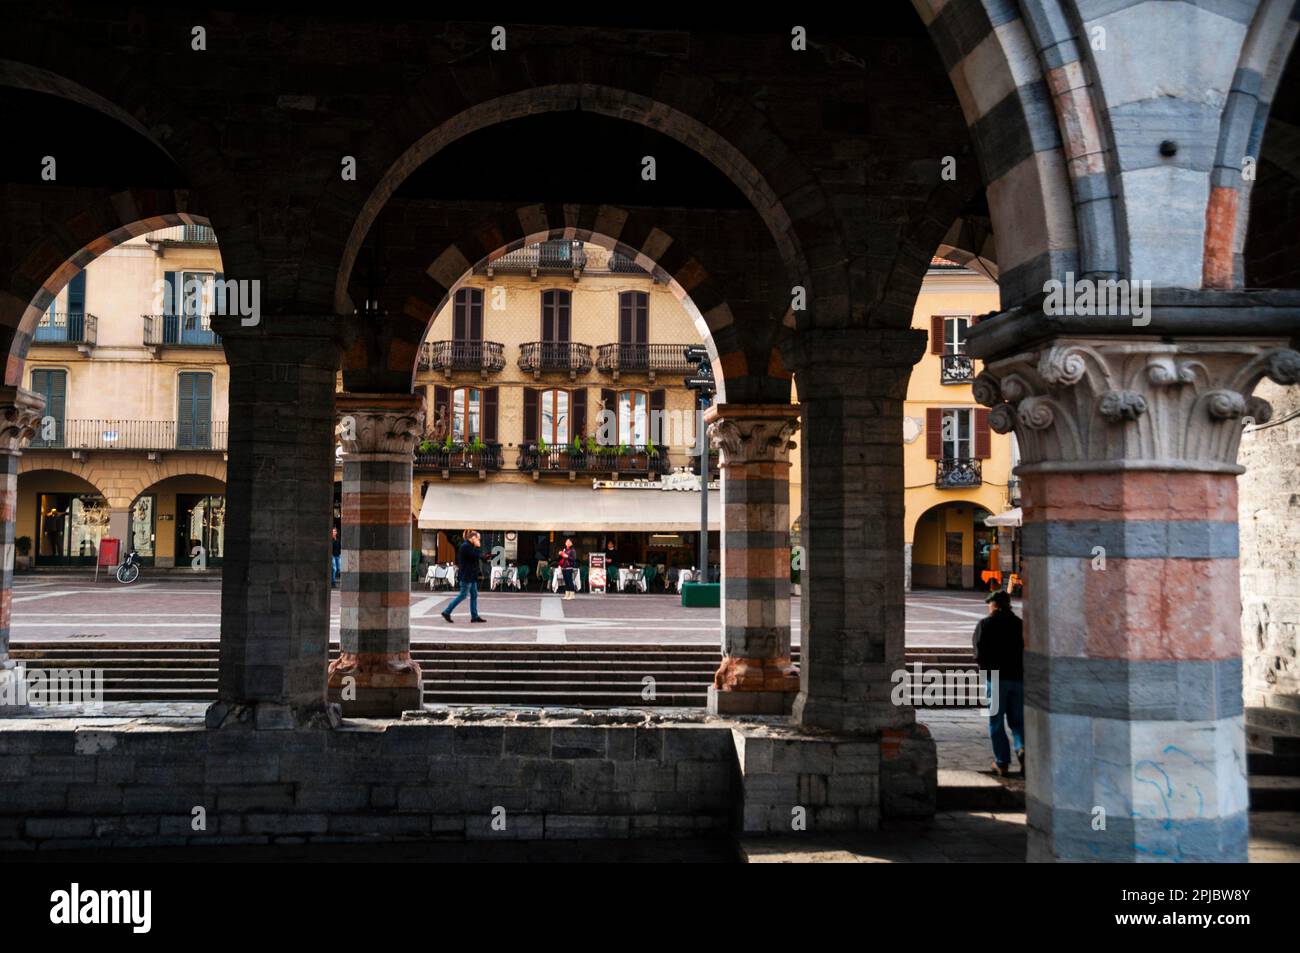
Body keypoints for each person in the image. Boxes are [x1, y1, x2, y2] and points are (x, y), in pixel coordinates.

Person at [973, 589, 1024, 777]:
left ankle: (1002, 762)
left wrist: (986, 670)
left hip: (995, 679)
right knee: (1018, 721)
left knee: (996, 721)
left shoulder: (986, 624)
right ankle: (1022, 748)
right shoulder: (1020, 625)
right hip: (1019, 678)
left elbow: (978, 653)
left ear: (993, 605)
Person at [442, 529, 486, 623]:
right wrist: (478, 547)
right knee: (463, 595)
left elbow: (476, 557)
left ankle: (474, 616)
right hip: (466, 576)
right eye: (478, 539)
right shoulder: (465, 546)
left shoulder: (470, 546)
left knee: (474, 595)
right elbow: (475, 555)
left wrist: (486, 557)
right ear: (473, 538)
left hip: (471, 576)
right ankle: (447, 611)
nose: (479, 541)